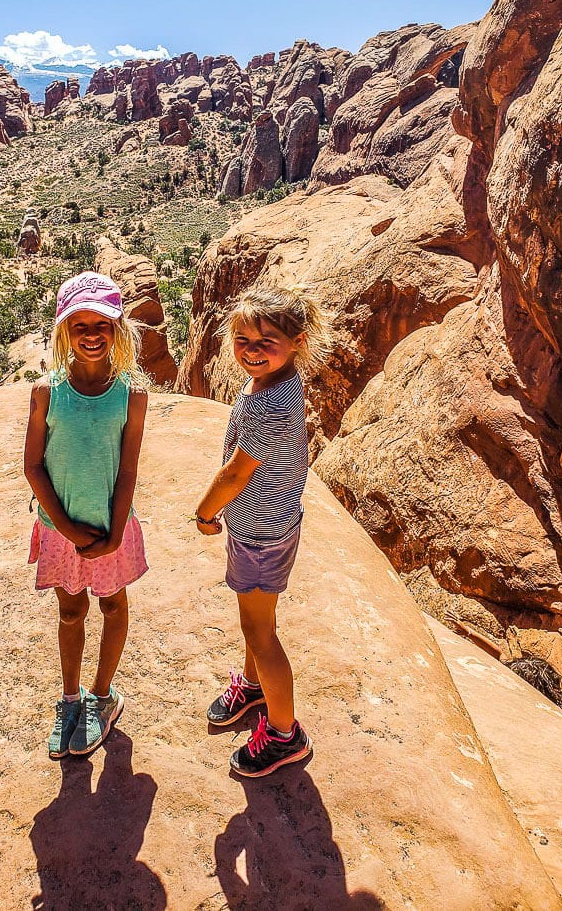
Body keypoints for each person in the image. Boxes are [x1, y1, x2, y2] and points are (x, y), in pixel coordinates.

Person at [195, 285, 331, 778]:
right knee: (258, 618)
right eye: (242, 339)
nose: (252, 349)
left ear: (297, 340)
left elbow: (235, 473)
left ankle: (283, 733)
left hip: (259, 531)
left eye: (265, 340)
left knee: (260, 631)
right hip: (275, 521)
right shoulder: (279, 384)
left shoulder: (266, 405)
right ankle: (252, 688)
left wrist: (206, 512)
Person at [24, 271, 149, 760]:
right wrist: (70, 528)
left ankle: (102, 698)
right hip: (61, 530)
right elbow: (33, 467)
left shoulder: (131, 394)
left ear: (117, 330)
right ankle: (70, 698)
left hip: (111, 528)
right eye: (81, 325)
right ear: (64, 330)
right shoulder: (46, 392)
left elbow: (129, 470)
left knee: (113, 607)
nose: (92, 335)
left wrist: (115, 533)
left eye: (102, 324)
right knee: (71, 611)